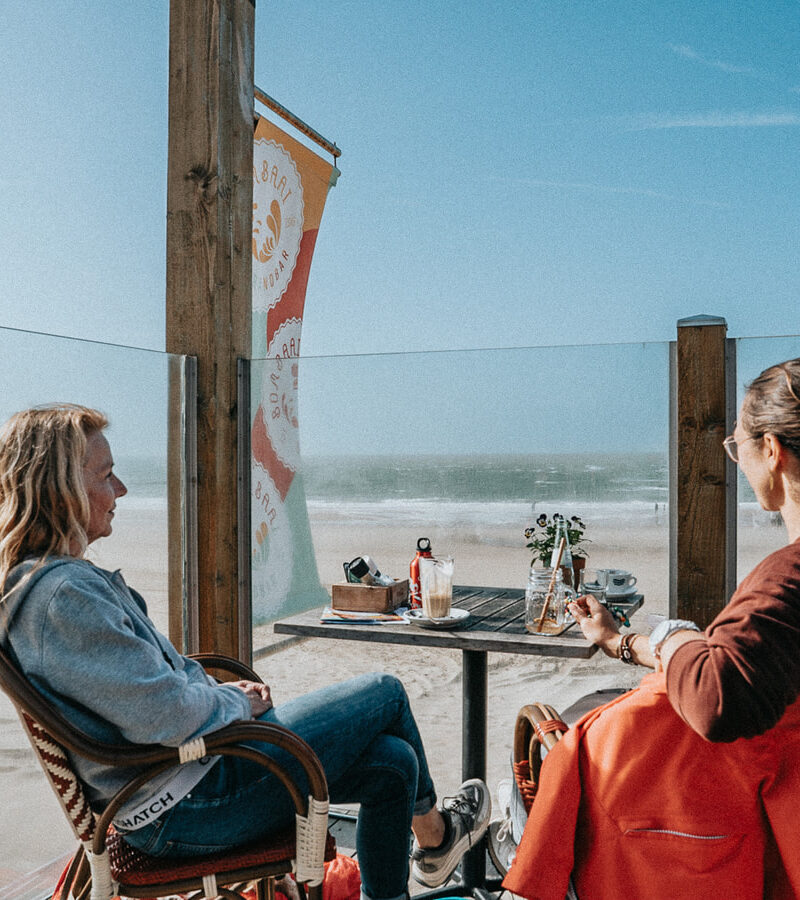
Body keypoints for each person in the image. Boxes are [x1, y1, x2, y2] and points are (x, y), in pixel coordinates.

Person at [0, 404, 490, 900]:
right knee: (385, 692)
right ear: (58, 490)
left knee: (393, 762)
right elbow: (162, 716)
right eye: (106, 476)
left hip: (182, 780)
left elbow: (142, 692)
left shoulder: (47, 589)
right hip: (184, 808)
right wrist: (237, 705)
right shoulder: (64, 599)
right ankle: (438, 840)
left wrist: (214, 692)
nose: (121, 489)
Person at [569, 356, 800, 742]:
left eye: (737, 443)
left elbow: (717, 699)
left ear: (772, 450)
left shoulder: (786, 579)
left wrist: (673, 633)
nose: (738, 459)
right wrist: (617, 641)